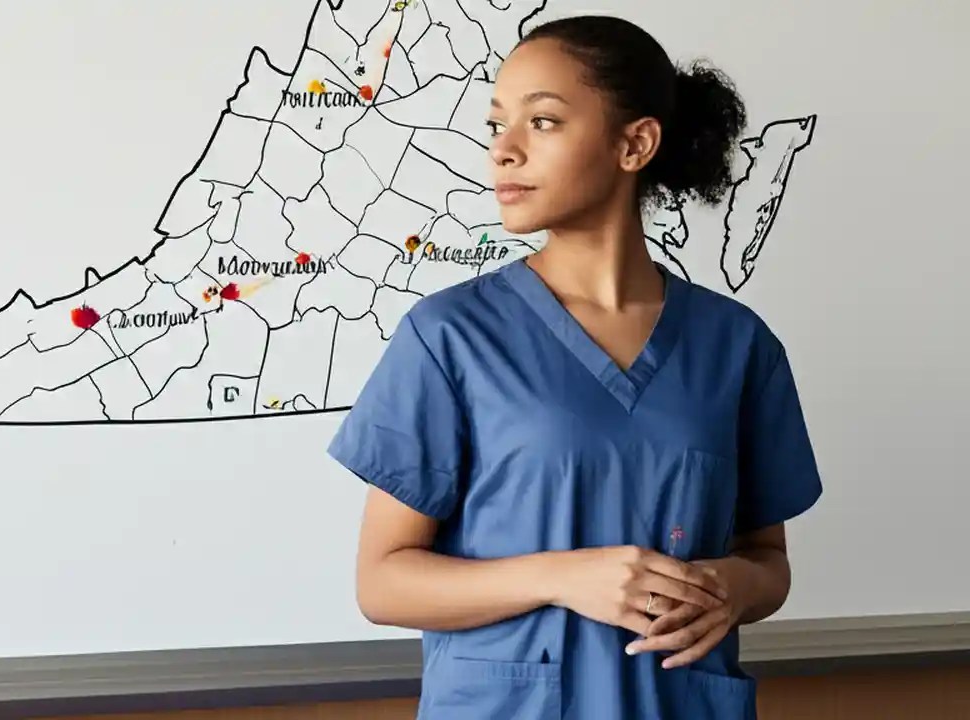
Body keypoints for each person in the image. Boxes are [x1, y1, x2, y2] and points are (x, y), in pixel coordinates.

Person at [326, 13, 823, 720]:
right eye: (498, 125)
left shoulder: (737, 346)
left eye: (545, 122)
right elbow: (383, 584)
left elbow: (767, 563)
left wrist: (728, 588)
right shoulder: (449, 338)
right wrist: (564, 577)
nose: (504, 151)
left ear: (635, 144)